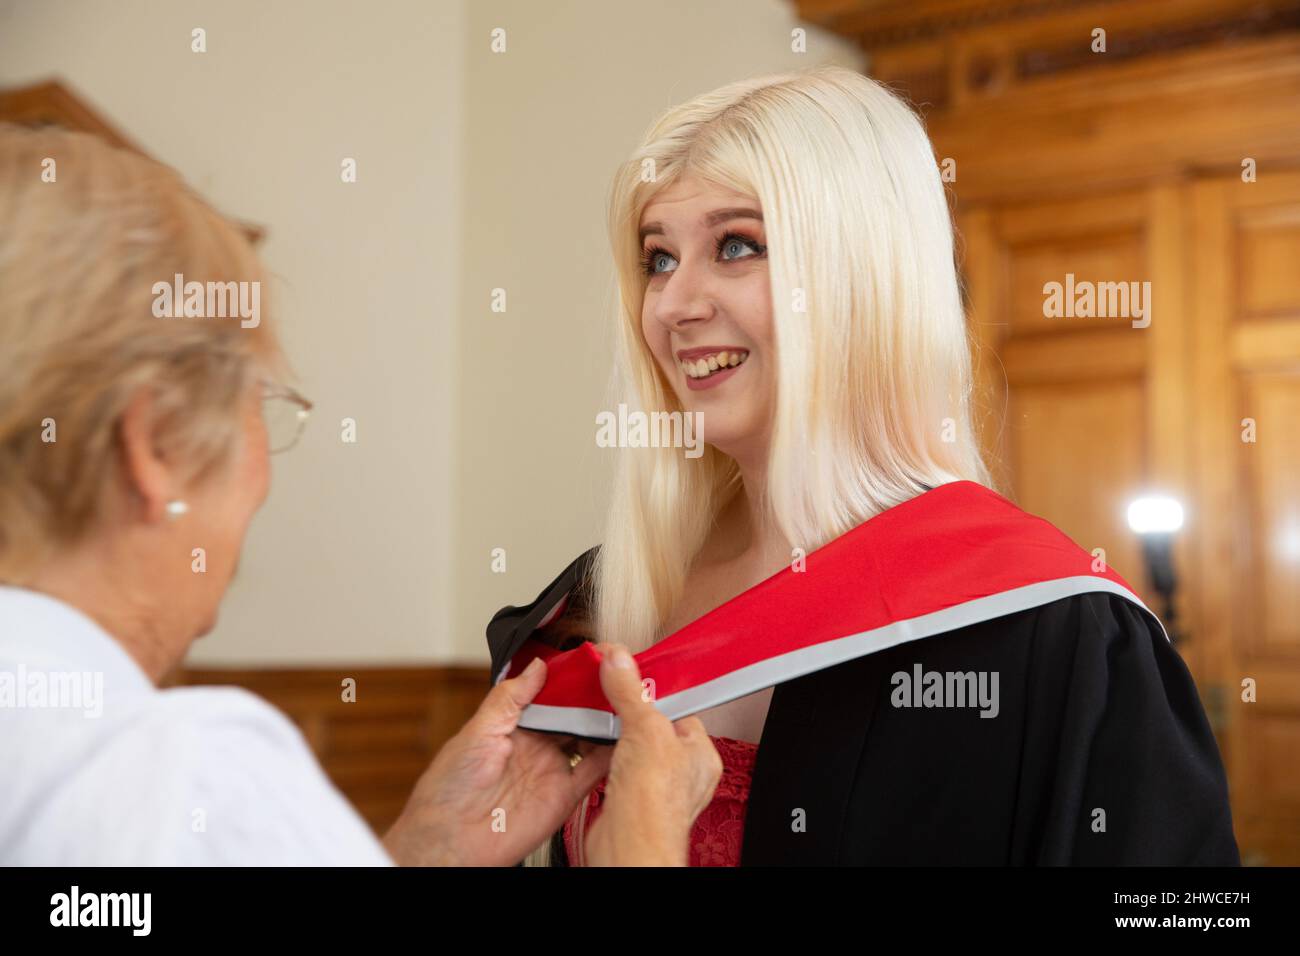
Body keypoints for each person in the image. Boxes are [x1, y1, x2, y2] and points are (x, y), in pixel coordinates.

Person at [487, 65, 1241, 866]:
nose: (673, 305)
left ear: (861, 280)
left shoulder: (1051, 629)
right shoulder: (607, 598)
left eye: (736, 246)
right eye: (658, 259)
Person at [0, 122, 721, 866]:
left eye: (733, 246)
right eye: (259, 403)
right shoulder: (178, 785)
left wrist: (422, 853)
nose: (674, 304)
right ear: (154, 448)